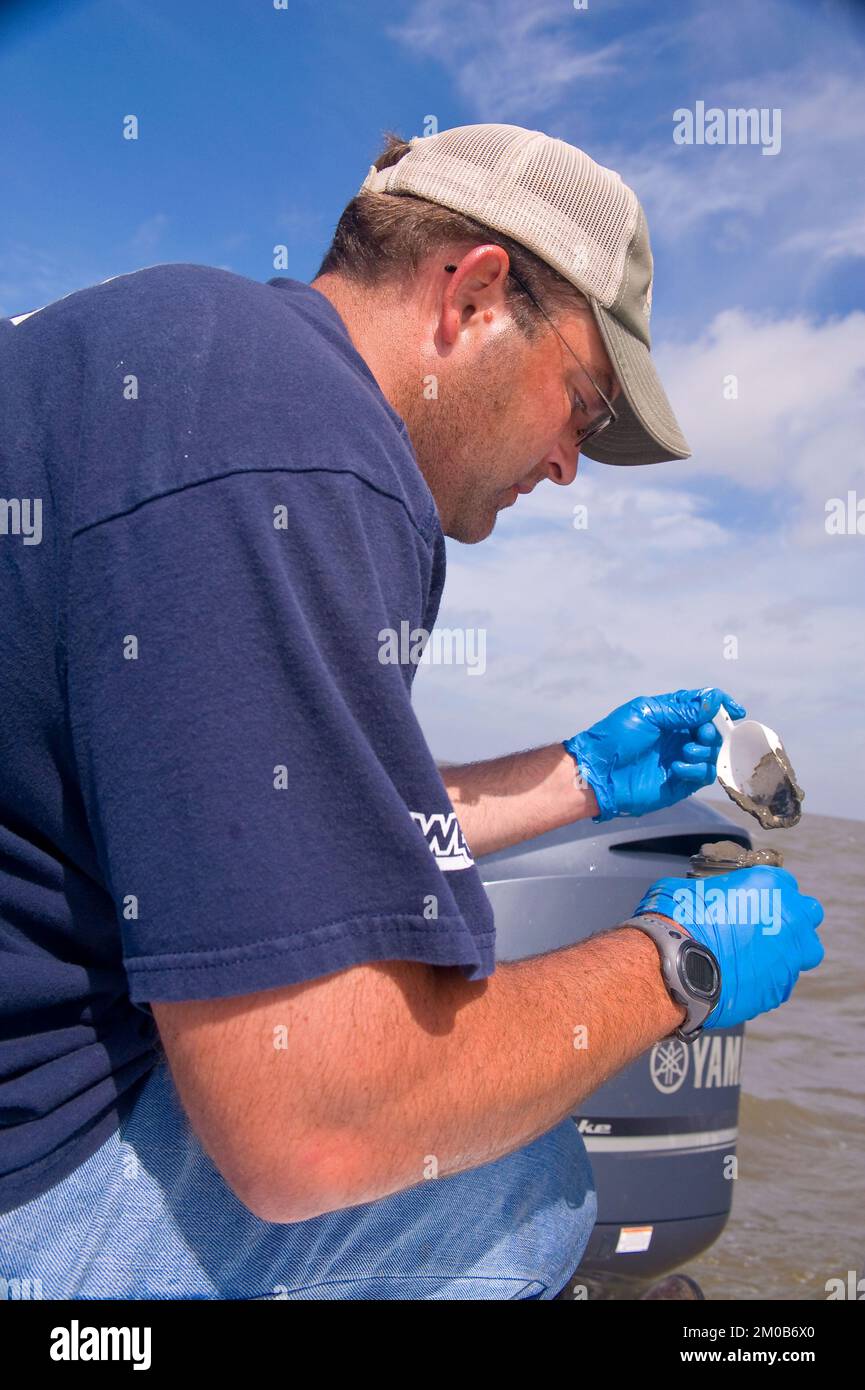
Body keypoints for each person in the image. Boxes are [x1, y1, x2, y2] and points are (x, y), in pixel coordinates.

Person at [0, 123, 824, 1300]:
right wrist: (677, 961)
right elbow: (318, 1125)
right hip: (29, 1186)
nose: (568, 467)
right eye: (584, 407)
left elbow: (270, 831)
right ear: (477, 296)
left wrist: (584, 773)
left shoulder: (188, 363)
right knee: (522, 1196)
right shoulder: (305, 457)